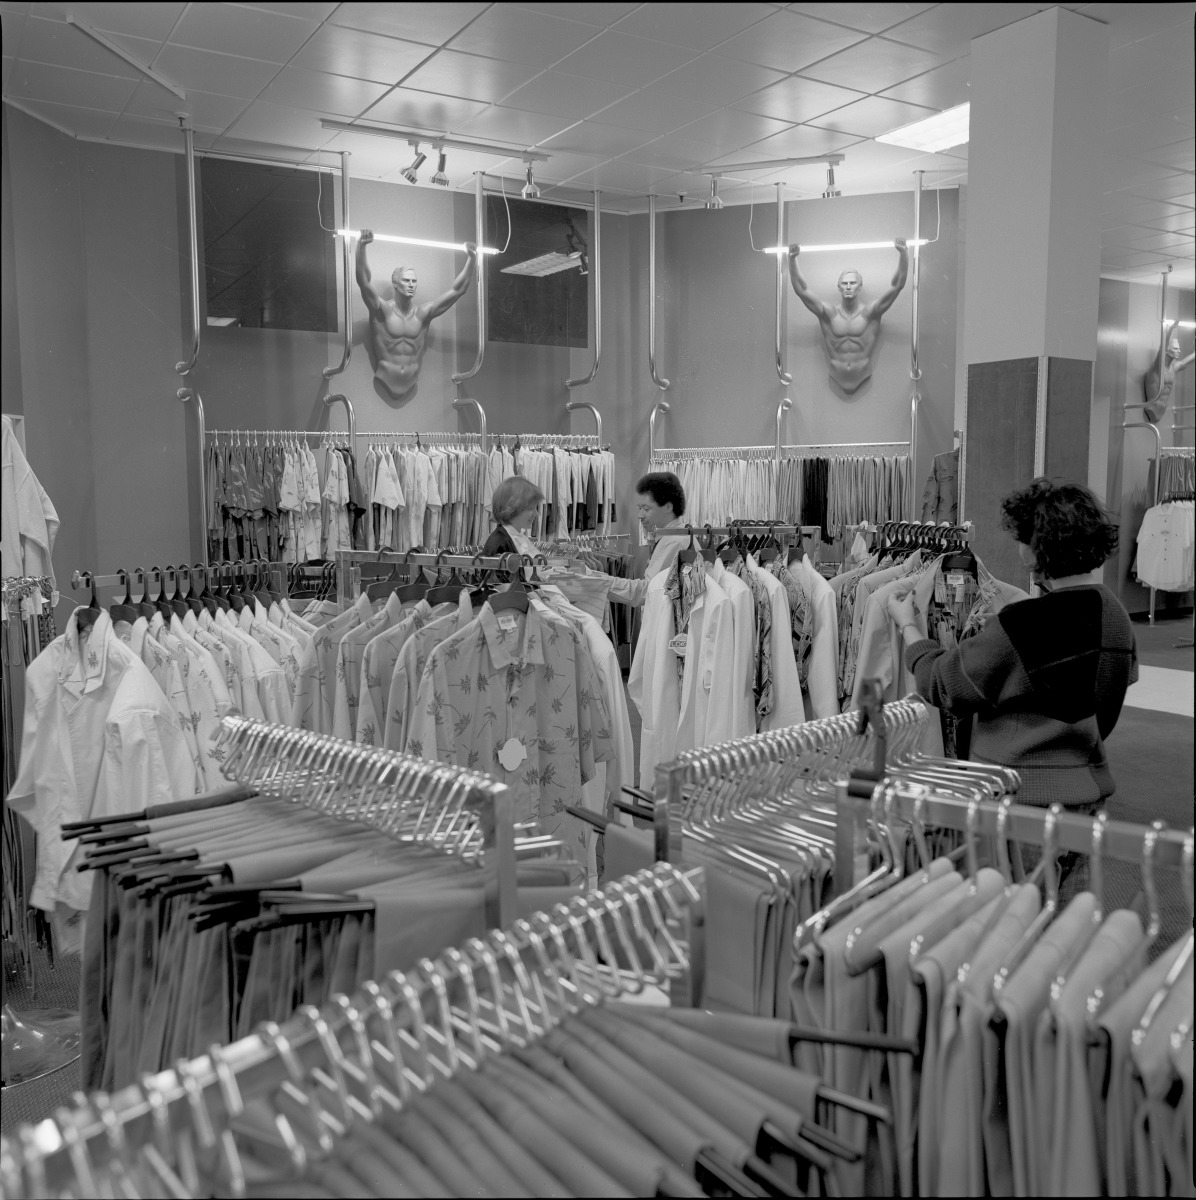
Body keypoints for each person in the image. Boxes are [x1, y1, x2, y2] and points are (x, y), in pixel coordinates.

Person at [887, 479, 1138, 895]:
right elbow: (1106, 704)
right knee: (1066, 928)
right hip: (1087, 798)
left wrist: (908, 625)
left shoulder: (1022, 623)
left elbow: (942, 685)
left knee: (1012, 927)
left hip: (1020, 805)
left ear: (1037, 550)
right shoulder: (1115, 615)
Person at [355, 230, 477, 398]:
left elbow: (457, 290)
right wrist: (361, 246)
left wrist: (472, 258)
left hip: (412, 380)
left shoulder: (423, 313)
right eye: (406, 281)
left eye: (414, 281)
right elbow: (363, 281)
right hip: (384, 377)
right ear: (395, 284)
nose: (411, 285)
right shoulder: (381, 309)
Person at [787, 239, 908, 393]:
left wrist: (903, 253)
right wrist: (792, 259)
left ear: (860, 286)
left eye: (852, 283)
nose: (848, 287)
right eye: (844, 283)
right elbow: (802, 291)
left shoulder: (870, 313)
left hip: (863, 373)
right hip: (835, 374)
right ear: (839, 287)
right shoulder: (828, 313)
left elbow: (897, 286)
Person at [606, 472, 688, 607]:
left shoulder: (675, 542)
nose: (639, 515)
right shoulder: (668, 538)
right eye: (639, 508)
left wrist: (601, 582)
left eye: (646, 509)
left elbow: (648, 590)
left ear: (668, 507)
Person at [1143, 319, 1194, 424]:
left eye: (1179, 348)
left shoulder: (1174, 368)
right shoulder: (1157, 368)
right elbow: (1162, 347)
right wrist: (1170, 329)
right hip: (1152, 408)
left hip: (1162, 409)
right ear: (1167, 350)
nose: (1179, 351)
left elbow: (1185, 362)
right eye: (1175, 349)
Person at [482, 476, 543, 560]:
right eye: (530, 508)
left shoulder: (515, 536)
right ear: (514, 508)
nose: (536, 514)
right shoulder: (501, 542)